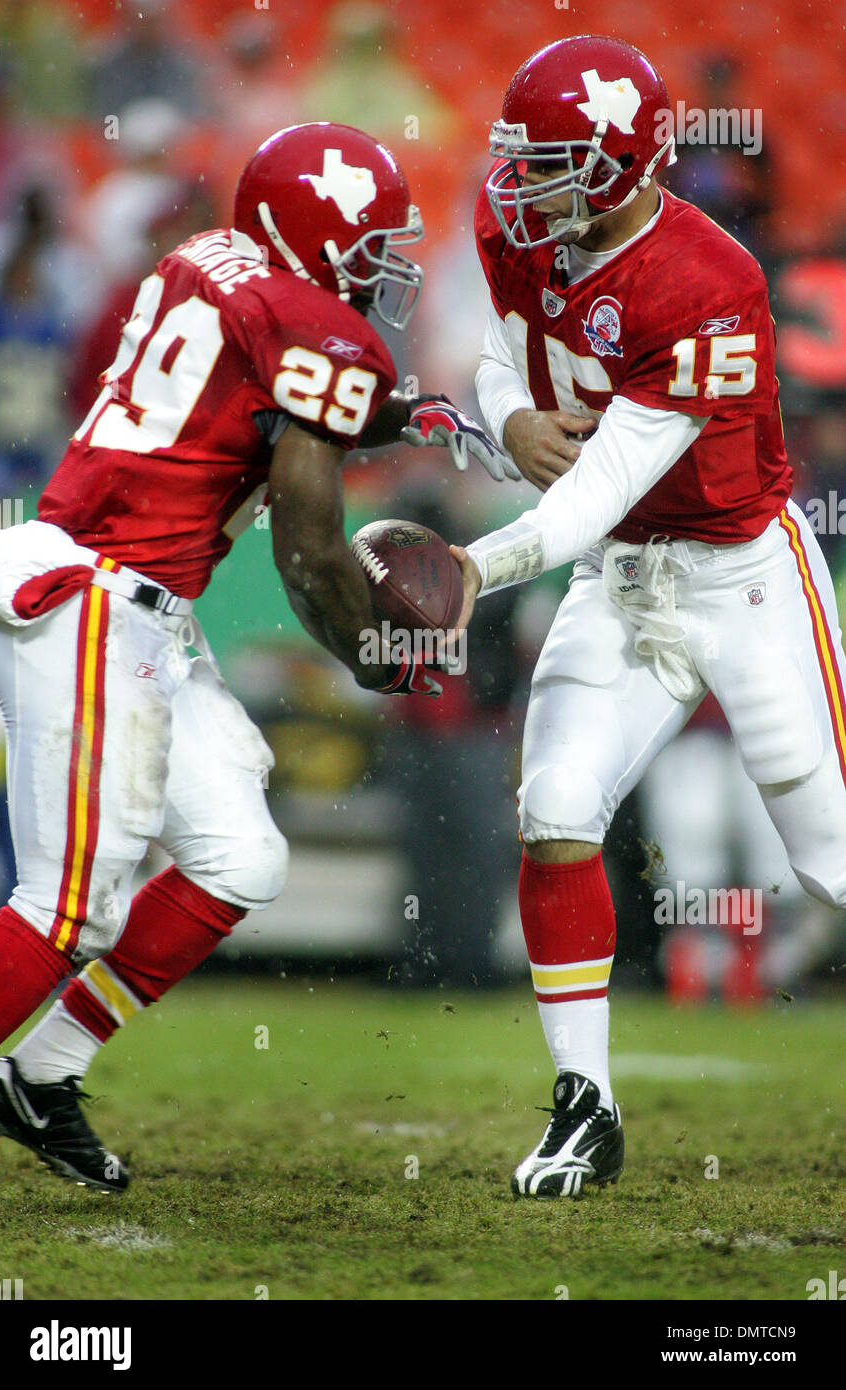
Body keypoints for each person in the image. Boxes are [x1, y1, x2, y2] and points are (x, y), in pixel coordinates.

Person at [0, 122, 514, 1192]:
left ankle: (36, 1078)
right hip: (96, 608)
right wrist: (377, 648)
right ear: (310, 238)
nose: (383, 267)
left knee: (241, 859)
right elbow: (310, 543)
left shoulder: (213, 263)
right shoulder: (314, 324)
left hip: (136, 607)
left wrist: (412, 411)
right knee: (72, 902)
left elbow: (261, 404)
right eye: (367, 244)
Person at [450, 35, 846, 1197]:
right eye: (521, 161)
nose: (523, 187)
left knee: (829, 862)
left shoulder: (707, 281)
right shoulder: (519, 224)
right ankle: (584, 1107)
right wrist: (510, 411)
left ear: (623, 166)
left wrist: (470, 569)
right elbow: (497, 355)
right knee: (556, 805)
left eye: (554, 163)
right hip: (620, 577)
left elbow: (593, 492)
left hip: (739, 580)